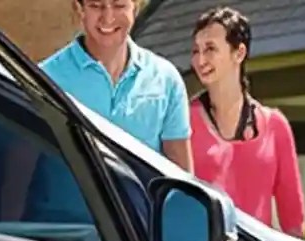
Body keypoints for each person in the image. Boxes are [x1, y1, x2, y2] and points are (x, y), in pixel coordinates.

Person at [189, 7, 305, 237]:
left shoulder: (275, 126)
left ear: (239, 53)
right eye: (196, 51)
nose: (200, 60)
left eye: (210, 49)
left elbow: (293, 219)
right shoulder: (183, 120)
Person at [41, 0, 193, 170]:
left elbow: (181, 174)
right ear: (79, 9)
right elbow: (24, 163)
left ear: (135, 7)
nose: (108, 18)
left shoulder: (166, 79)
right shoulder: (46, 79)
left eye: (119, 5)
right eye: (96, 6)